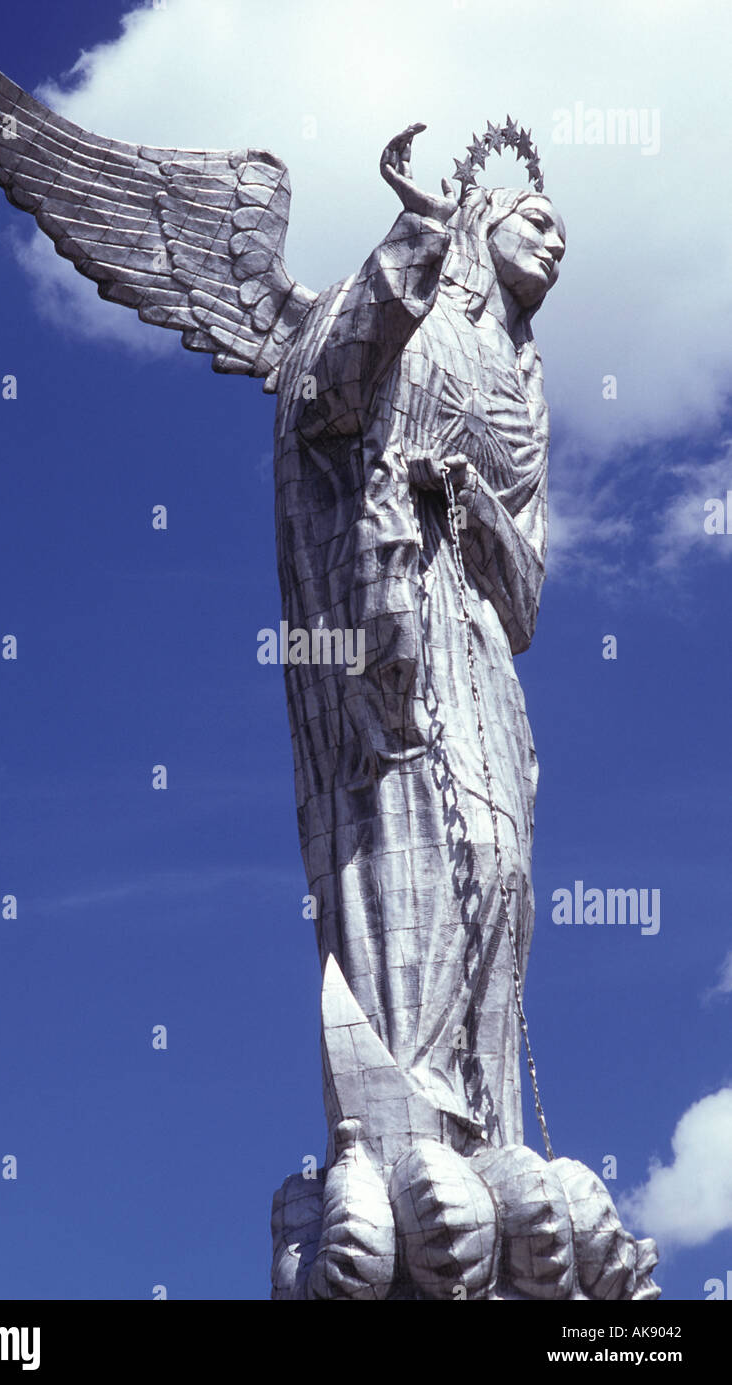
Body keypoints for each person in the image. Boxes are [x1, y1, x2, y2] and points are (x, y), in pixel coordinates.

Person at [273, 124, 566, 1154]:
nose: (559, 243)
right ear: (485, 222)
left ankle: (489, 1135)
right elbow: (323, 396)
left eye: (565, 232)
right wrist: (418, 230)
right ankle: (410, 1123)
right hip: (388, 610)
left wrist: (476, 498)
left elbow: (526, 599)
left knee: (506, 870)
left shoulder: (525, 397)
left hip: (479, 643)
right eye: (538, 219)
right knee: (427, 846)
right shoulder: (420, 302)